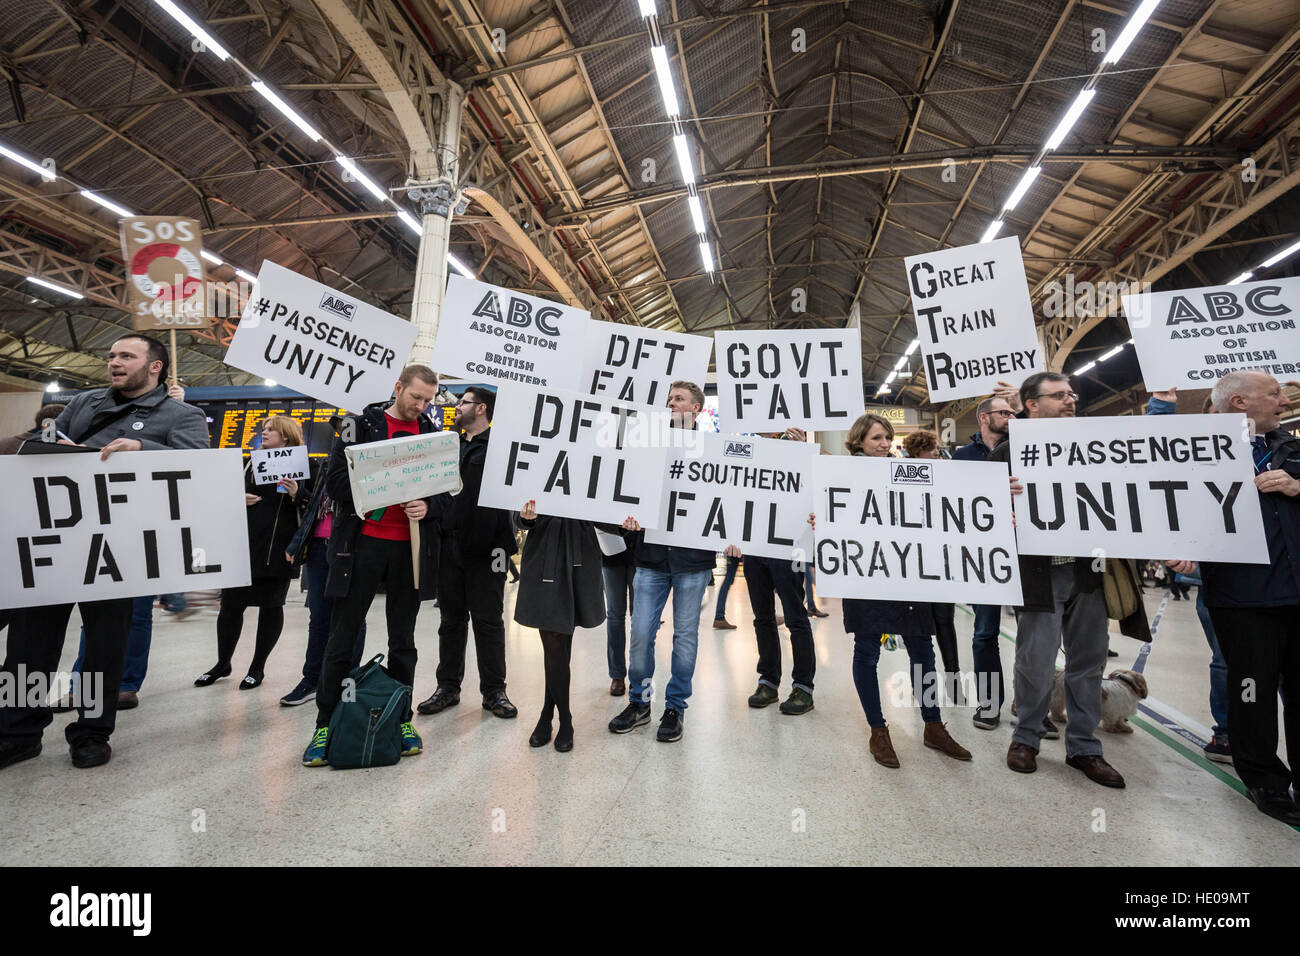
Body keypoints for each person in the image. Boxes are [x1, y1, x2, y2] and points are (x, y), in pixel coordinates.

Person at [0, 334, 209, 771]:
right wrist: (44, 448)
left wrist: (143, 449)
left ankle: (91, 733)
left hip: (119, 552)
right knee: (27, 645)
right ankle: (18, 732)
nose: (114, 362)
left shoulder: (181, 415)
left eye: (126, 356)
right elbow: (46, 446)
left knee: (103, 647)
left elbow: (197, 468)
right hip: (55, 543)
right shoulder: (84, 404)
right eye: (111, 355)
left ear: (155, 366)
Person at [993, 372, 1149, 788]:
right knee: (1034, 660)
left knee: (1089, 663)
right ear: (1031, 405)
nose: (1070, 400)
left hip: (1089, 573)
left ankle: (1084, 747)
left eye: (1071, 394)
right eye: (1058, 395)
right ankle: (1025, 738)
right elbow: (981, 513)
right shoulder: (1008, 452)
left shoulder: (1096, 445)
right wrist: (998, 499)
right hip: (1038, 575)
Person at [301, 365, 442, 767]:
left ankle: (400, 718)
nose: (421, 405)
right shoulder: (359, 425)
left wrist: (428, 505)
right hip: (359, 549)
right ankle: (325, 723)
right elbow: (336, 485)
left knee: (404, 641)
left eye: (428, 400)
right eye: (416, 396)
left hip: (409, 553)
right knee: (341, 638)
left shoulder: (432, 435)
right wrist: (387, 483)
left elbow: (448, 493)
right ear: (398, 388)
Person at [1177, 371, 1300, 823]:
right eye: (1274, 394)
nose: (1284, 400)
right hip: (1243, 598)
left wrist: (1297, 486)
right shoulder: (1197, 455)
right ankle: (1265, 780)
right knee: (1253, 693)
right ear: (1240, 403)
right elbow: (1174, 506)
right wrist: (1181, 550)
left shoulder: (1293, 448)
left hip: (1296, 591)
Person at [842, 412, 970, 768]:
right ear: (859, 443)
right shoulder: (843, 475)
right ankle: (878, 731)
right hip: (867, 575)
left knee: (922, 650)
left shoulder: (907, 472)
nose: (884, 444)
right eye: (875, 439)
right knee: (867, 651)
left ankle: (933, 725)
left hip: (907, 573)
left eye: (886, 438)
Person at [608, 381, 716, 743]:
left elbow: (727, 500)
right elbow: (625, 491)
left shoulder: (713, 451)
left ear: (697, 408)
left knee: (685, 637)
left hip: (692, 561)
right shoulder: (647, 448)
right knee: (640, 634)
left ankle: (675, 708)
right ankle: (639, 702)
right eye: (668, 398)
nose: (670, 403)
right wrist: (628, 525)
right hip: (650, 558)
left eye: (679, 399)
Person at [418, 386, 519, 720]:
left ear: (482, 409)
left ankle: (494, 691)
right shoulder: (451, 444)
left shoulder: (503, 446)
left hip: (490, 549)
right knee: (450, 620)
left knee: (489, 621)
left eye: (463, 402)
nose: (456, 407)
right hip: (450, 544)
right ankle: (447, 687)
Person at [1146, 388, 1230, 762]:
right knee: (1226, 660)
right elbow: (1154, 448)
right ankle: (1227, 733)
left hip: (1281, 576)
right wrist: (1162, 404)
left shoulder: (1275, 450)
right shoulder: (1200, 453)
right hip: (1220, 579)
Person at [196, 415, 311, 689]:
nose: (265, 433)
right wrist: (236, 495)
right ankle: (222, 663)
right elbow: (218, 494)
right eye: (264, 429)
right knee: (230, 607)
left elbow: (315, 504)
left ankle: (257, 667)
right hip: (242, 546)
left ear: (286, 436)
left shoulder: (304, 464)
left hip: (278, 548)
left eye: (271, 429)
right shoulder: (248, 462)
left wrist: (298, 494)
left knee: (271, 606)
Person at [515, 499, 621, 752]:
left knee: (562, 638)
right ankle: (564, 718)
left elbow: (607, 507)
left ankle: (546, 714)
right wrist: (525, 517)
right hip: (545, 554)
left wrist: (626, 521)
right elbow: (516, 507)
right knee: (553, 640)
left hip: (581, 554)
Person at [278, 425, 367, 707]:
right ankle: (312, 679)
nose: (344, 435)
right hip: (317, 549)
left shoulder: (367, 463)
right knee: (318, 619)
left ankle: (345, 679)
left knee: (350, 620)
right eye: (341, 431)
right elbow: (313, 508)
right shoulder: (328, 463)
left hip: (349, 548)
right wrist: (296, 543)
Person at [952, 391, 1018, 728]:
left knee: (1035, 636)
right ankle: (989, 704)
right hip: (983, 558)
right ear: (984, 417)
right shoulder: (963, 456)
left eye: (1015, 412)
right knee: (984, 633)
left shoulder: (1026, 449)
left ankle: (1030, 705)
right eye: (1005, 412)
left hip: (1027, 556)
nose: (1012, 418)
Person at [737, 543, 816, 715]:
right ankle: (768, 681)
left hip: (790, 547)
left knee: (796, 618)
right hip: (754, 548)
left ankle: (804, 687)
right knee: (762, 618)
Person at [601, 533, 636, 696]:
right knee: (614, 616)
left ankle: (638, 674)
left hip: (640, 551)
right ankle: (617, 674)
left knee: (640, 618)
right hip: (610, 551)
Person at [711, 553, 741, 629]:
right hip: (745, 551)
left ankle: (719, 617)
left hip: (732, 550)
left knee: (728, 580)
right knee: (758, 579)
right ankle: (767, 614)